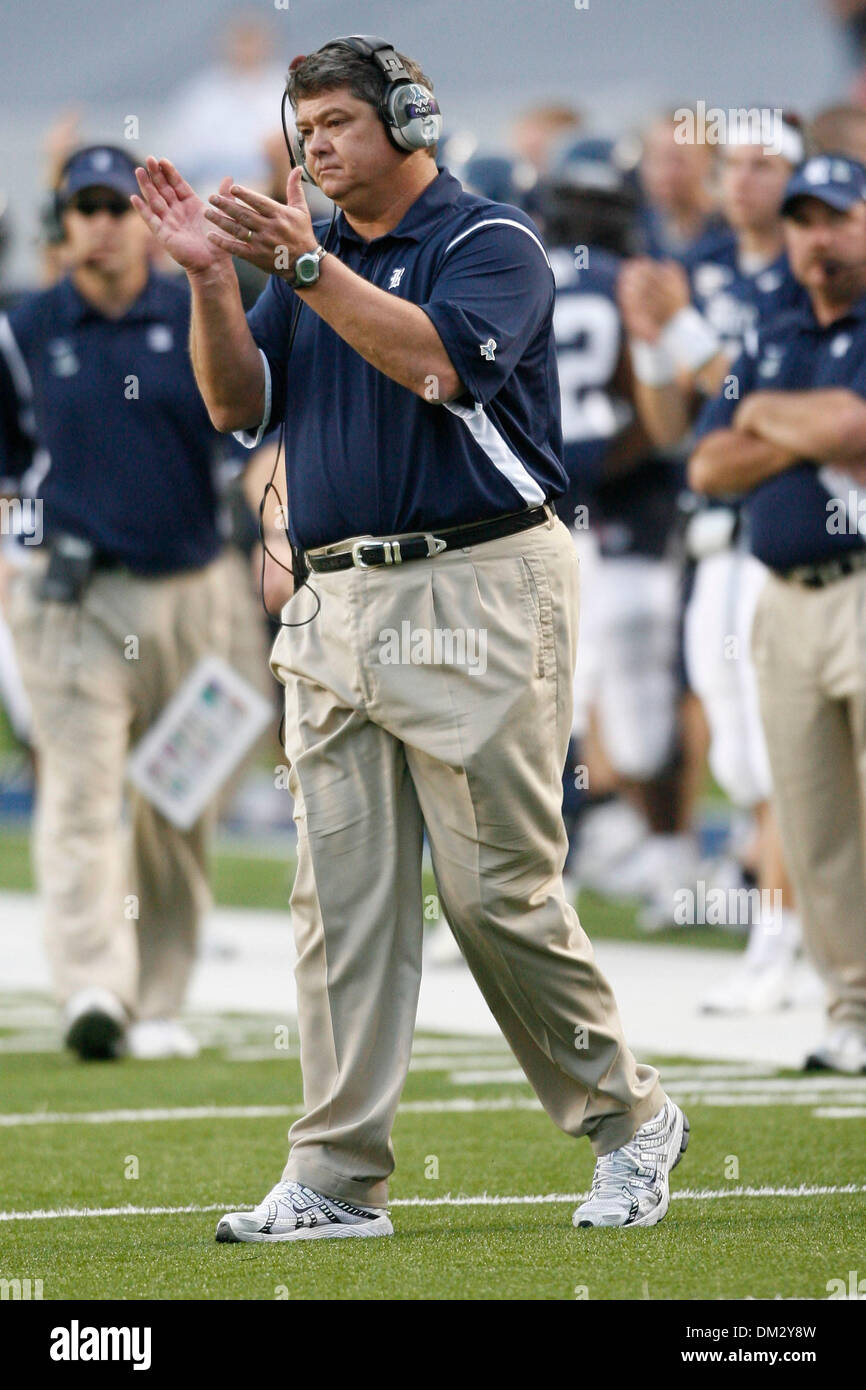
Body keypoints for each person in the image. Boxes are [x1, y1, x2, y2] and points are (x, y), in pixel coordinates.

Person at [132, 34, 688, 1240]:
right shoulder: (307, 254)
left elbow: (440, 370)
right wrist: (216, 285)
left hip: (477, 581)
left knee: (494, 893)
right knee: (338, 901)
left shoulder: (489, 241)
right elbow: (237, 408)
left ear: (409, 120)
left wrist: (306, 267)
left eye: (335, 119)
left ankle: (628, 1117)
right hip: (335, 595)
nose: (314, 143)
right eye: (303, 126)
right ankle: (336, 1176)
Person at [0, 144, 230, 1060]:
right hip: (72, 594)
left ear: (144, 217)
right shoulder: (23, 328)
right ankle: (95, 985)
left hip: (193, 591)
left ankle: (162, 998)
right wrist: (16, 551)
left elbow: (246, 433)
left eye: (114, 206)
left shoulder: (196, 308)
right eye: (83, 207)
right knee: (84, 795)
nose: (100, 223)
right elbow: (7, 466)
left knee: (179, 801)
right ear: (64, 221)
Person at [620, 116, 813, 1009]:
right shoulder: (701, 271)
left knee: (785, 750)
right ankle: (790, 927)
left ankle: (784, 940)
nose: (741, 181)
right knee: (740, 752)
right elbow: (670, 432)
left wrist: (691, 341)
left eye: (764, 165)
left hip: (786, 532)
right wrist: (653, 342)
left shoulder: (810, 274)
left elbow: (772, 402)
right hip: (712, 535)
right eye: (732, 164)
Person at [689, 153, 866, 1072]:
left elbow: (854, 429)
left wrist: (767, 416)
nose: (818, 239)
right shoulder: (773, 327)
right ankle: (853, 1012)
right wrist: (796, 421)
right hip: (781, 593)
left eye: (835, 218)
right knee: (812, 815)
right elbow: (709, 465)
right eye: (802, 222)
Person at [538, 137, 699, 926]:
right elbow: (657, 409)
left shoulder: (526, 277)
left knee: (558, 693)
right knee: (639, 703)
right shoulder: (631, 278)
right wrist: (611, 457)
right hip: (627, 509)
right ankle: (656, 849)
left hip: (551, 505)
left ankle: (586, 845)